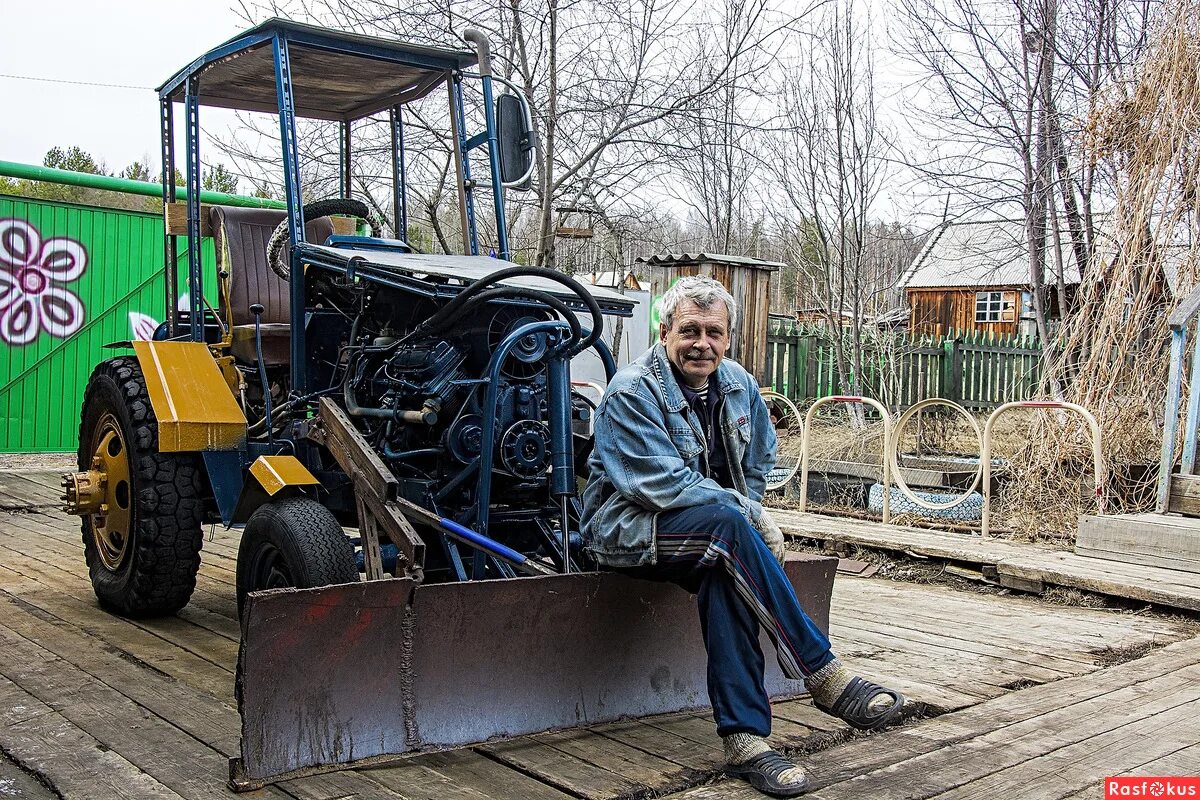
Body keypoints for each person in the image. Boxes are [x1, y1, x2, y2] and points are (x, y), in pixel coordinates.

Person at [581, 276, 905, 798]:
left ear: (729, 338)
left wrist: (748, 509)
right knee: (730, 532)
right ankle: (820, 672)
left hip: (715, 541)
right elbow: (659, 485)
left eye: (714, 332)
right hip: (628, 532)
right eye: (689, 331)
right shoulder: (631, 391)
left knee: (726, 578)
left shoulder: (737, 384)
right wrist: (750, 515)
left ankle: (747, 742)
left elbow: (758, 462)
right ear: (665, 332)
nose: (701, 344)